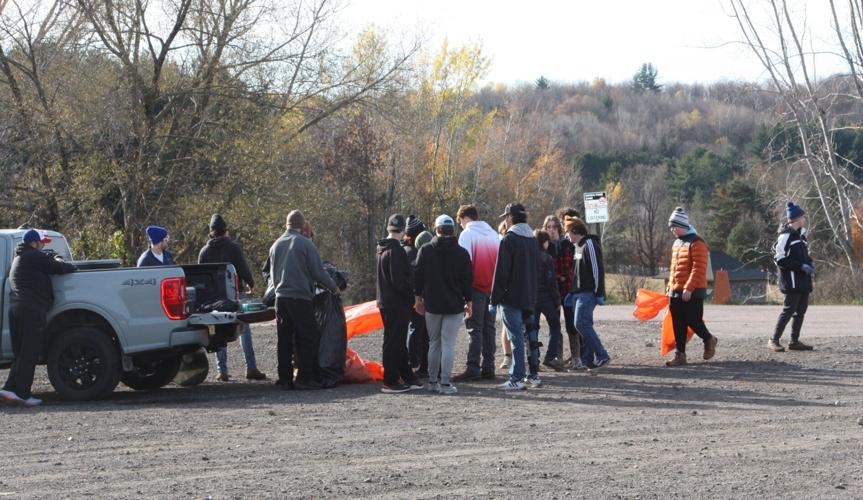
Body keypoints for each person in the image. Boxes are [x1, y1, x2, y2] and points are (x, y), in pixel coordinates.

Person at [1, 230, 77, 407]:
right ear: (33, 243)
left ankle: (10, 388)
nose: (44, 246)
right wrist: (62, 262)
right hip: (31, 310)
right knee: (29, 353)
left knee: (21, 353)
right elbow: (60, 268)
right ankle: (23, 394)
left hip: (17, 309)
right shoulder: (34, 255)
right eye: (42, 242)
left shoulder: (20, 257)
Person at [269, 210, 340, 389]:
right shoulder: (305, 243)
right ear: (301, 225)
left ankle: (284, 379)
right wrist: (333, 287)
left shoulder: (276, 245)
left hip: (280, 298)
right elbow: (318, 271)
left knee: (284, 338)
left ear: (287, 224)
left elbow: (272, 275)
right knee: (309, 335)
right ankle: (304, 377)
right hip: (299, 297)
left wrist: (279, 290)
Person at [198, 214, 266, 382]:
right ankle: (250, 367)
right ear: (226, 231)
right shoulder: (234, 248)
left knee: (219, 332)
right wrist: (251, 283)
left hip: (216, 298)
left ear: (211, 232)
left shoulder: (204, 251)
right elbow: (243, 268)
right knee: (244, 330)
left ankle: (222, 370)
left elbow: (201, 276)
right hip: (236, 294)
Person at [414, 215, 473, 395]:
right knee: (448, 344)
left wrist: (418, 299)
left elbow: (418, 277)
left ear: (436, 229)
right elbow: (467, 281)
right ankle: (446, 383)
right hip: (454, 305)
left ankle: (432, 381)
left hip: (432, 304)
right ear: (452, 230)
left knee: (434, 343)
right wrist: (469, 302)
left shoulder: (425, 250)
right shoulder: (462, 253)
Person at [491, 203, 538, 390]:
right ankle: (532, 374)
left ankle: (517, 377)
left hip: (510, 297)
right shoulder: (532, 239)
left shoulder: (509, 239)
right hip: (529, 295)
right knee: (529, 337)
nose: (505, 220)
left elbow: (501, 272)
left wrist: (494, 299)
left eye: (505, 217)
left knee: (515, 338)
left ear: (510, 217)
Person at [665, 207, 718, 366]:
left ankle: (709, 339)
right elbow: (674, 268)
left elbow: (699, 268)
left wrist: (688, 288)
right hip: (675, 291)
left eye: (675, 226)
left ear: (683, 225)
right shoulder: (676, 243)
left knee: (693, 320)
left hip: (693, 291)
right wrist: (670, 288)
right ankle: (680, 355)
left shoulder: (697, 242)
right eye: (671, 227)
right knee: (677, 323)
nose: (673, 230)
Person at [453, 204, 500, 381]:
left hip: (475, 288)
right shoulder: (493, 234)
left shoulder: (467, 234)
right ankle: (489, 367)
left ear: (464, 218)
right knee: (489, 328)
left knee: (474, 328)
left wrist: (463, 293)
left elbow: (464, 266)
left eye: (460, 221)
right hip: (492, 289)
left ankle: (473, 367)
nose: (460, 225)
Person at [376, 214, 422, 394]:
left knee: (397, 341)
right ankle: (390, 380)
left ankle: (407, 376)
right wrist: (412, 296)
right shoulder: (397, 251)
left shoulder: (381, 247)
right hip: (397, 303)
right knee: (393, 342)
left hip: (385, 300)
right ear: (403, 230)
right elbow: (399, 281)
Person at [565, 216, 611, 372]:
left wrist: (598, 292)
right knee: (584, 325)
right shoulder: (577, 246)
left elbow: (597, 269)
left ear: (575, 231)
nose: (566, 235)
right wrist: (572, 292)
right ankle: (588, 361)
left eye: (567, 231)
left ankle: (602, 355)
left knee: (581, 323)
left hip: (588, 293)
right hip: (578, 293)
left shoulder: (590, 244)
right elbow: (577, 272)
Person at [770, 202, 815, 352]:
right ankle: (773, 340)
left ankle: (794, 342)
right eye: (803, 216)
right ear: (796, 218)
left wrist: (810, 262)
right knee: (788, 311)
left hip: (803, 281)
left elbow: (804, 256)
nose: (804, 219)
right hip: (792, 281)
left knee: (800, 311)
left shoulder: (802, 236)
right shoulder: (785, 236)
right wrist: (800, 266)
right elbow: (779, 259)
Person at [542, 215, 576, 371]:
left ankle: (576, 357)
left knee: (571, 324)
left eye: (554, 227)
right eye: (548, 227)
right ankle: (558, 357)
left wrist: (565, 277)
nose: (552, 230)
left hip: (567, 289)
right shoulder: (544, 247)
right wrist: (557, 277)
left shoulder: (567, 244)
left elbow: (572, 267)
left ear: (559, 228)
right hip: (551, 291)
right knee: (554, 324)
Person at [529, 229, 562, 381]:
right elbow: (551, 281)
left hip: (531, 299)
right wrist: (557, 300)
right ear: (544, 242)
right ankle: (550, 355)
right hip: (546, 298)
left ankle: (534, 359)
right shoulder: (547, 258)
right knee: (555, 326)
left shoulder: (528, 256)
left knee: (533, 329)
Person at [403, 215, 429, 378]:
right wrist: (419, 296)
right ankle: (416, 364)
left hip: (410, 297)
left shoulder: (405, 251)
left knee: (416, 329)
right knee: (418, 330)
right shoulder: (415, 253)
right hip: (418, 298)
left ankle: (417, 364)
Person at [496, 220, 512, 370]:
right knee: (506, 326)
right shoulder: (500, 244)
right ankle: (507, 355)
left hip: (515, 290)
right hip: (504, 292)